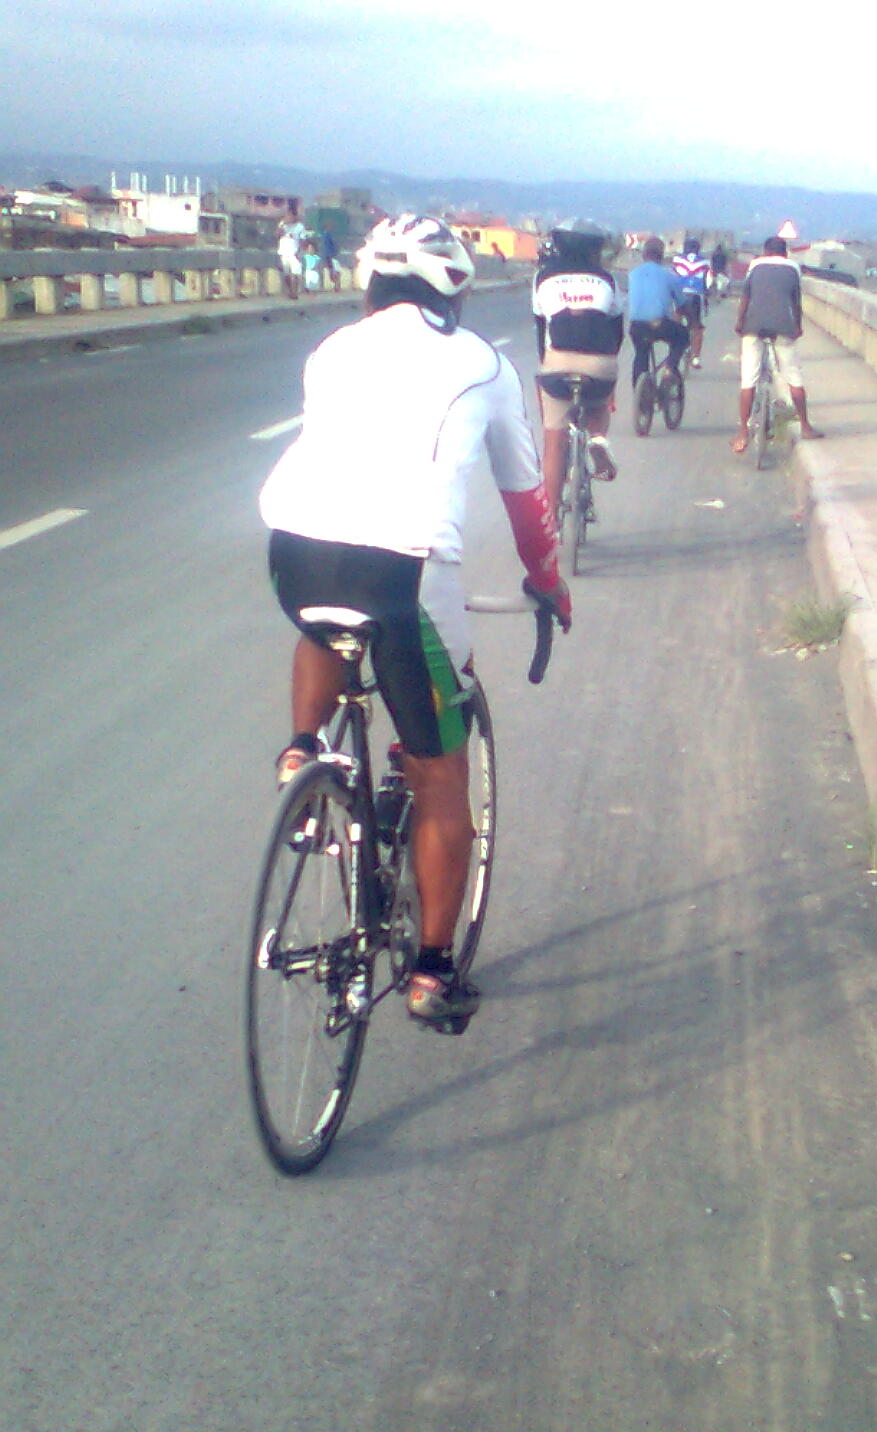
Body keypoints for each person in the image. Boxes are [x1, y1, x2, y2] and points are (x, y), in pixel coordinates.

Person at [259, 213, 571, 1028]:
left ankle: (302, 753)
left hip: (293, 551)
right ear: (455, 288)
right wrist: (548, 583)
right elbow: (527, 504)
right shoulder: (486, 366)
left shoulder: (330, 352)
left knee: (329, 620)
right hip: (406, 575)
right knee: (441, 778)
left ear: (369, 282)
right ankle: (433, 972)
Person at [531, 218, 624, 515]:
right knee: (599, 399)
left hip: (557, 364)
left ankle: (552, 520)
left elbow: (539, 328)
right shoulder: (607, 280)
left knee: (554, 443)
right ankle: (597, 437)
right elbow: (616, 333)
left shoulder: (542, 278)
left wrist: (547, 363)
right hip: (600, 366)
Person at [732, 234, 824, 452]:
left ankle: (743, 433)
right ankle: (806, 426)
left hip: (753, 326)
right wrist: (798, 327)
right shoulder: (793, 268)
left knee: (749, 379)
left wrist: (739, 323)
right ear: (785, 252)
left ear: (765, 251)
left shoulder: (754, 266)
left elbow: (746, 297)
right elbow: (795, 302)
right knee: (793, 375)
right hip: (783, 326)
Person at [626, 236, 690, 391]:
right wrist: (691, 320)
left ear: (643, 255)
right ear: (661, 256)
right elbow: (682, 303)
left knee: (641, 354)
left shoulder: (632, 274)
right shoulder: (669, 275)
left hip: (636, 325)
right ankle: (670, 368)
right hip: (660, 324)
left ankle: (640, 396)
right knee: (682, 337)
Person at [671, 236, 710, 367]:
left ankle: (673, 347)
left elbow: (673, 277)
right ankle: (695, 358)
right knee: (697, 327)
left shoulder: (677, 259)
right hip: (695, 297)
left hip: (679, 296)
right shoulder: (705, 262)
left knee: (675, 322)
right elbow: (708, 282)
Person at [276, 218, 303, 301]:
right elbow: (277, 235)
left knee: (296, 273)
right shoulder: (282, 224)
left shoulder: (300, 226)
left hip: (294, 253)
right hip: (284, 253)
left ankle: (294, 293)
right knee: (286, 274)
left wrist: (300, 252)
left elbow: (302, 240)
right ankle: (290, 290)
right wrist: (281, 227)